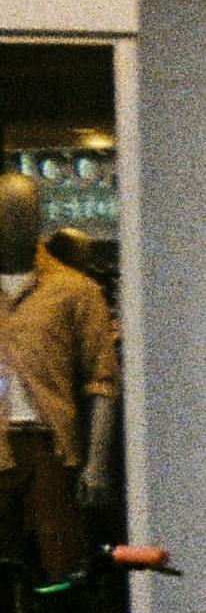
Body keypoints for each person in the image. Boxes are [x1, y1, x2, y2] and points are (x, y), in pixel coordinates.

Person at [0, 172, 115, 580]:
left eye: (23, 214)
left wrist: (96, 464)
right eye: (6, 213)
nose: (13, 223)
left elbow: (102, 382)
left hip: (48, 448)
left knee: (60, 569)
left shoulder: (75, 291)